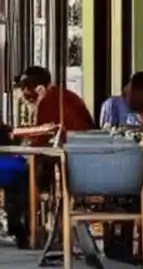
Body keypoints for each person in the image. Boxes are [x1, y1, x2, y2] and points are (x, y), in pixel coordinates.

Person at [2, 66, 96, 248]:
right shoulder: (66, 97)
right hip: (83, 158)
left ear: (39, 89)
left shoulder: (49, 101)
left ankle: (26, 228)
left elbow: (42, 139)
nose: (26, 99)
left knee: (25, 173)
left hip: (71, 159)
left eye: (27, 94)